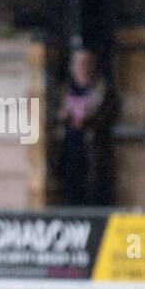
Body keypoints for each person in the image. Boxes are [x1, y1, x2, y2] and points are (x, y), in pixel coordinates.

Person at [55, 48, 119, 206]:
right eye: (79, 64)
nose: (83, 68)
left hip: (93, 152)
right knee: (69, 195)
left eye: (87, 63)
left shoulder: (103, 90)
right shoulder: (63, 91)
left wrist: (87, 122)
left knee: (93, 194)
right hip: (68, 151)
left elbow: (109, 116)